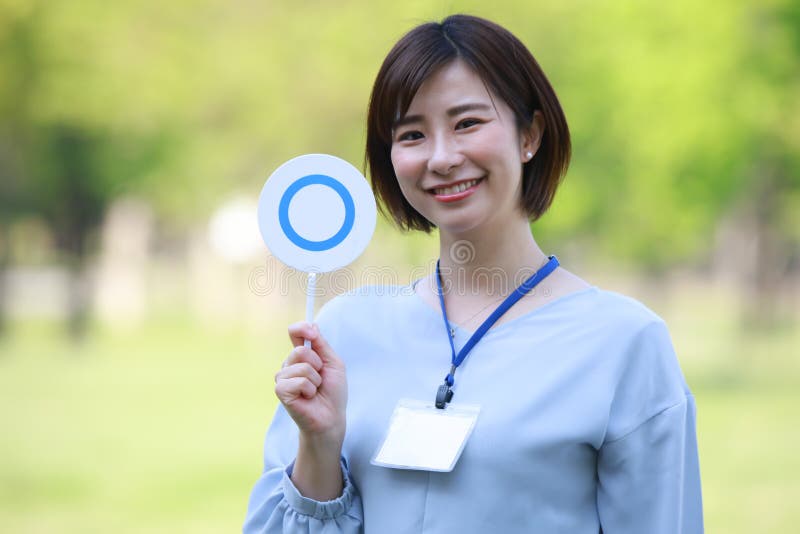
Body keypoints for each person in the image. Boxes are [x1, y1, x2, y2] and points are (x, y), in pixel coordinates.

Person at [243, 14, 703, 534]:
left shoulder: (623, 344)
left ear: (529, 134)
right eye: (412, 134)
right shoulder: (342, 332)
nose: (441, 157)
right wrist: (319, 446)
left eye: (467, 123)